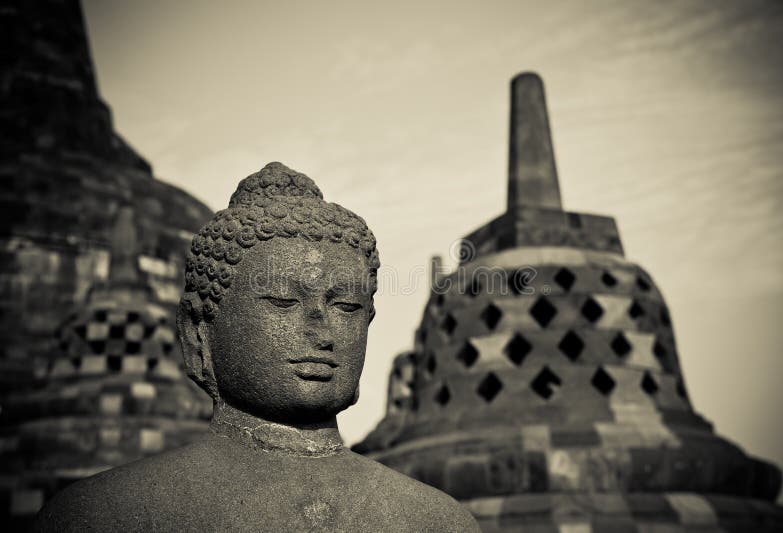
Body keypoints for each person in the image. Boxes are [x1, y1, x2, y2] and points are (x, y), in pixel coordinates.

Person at [34, 162, 480, 532]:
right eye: (284, 303)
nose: (321, 332)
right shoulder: (101, 519)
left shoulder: (439, 523)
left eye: (346, 306)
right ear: (198, 332)